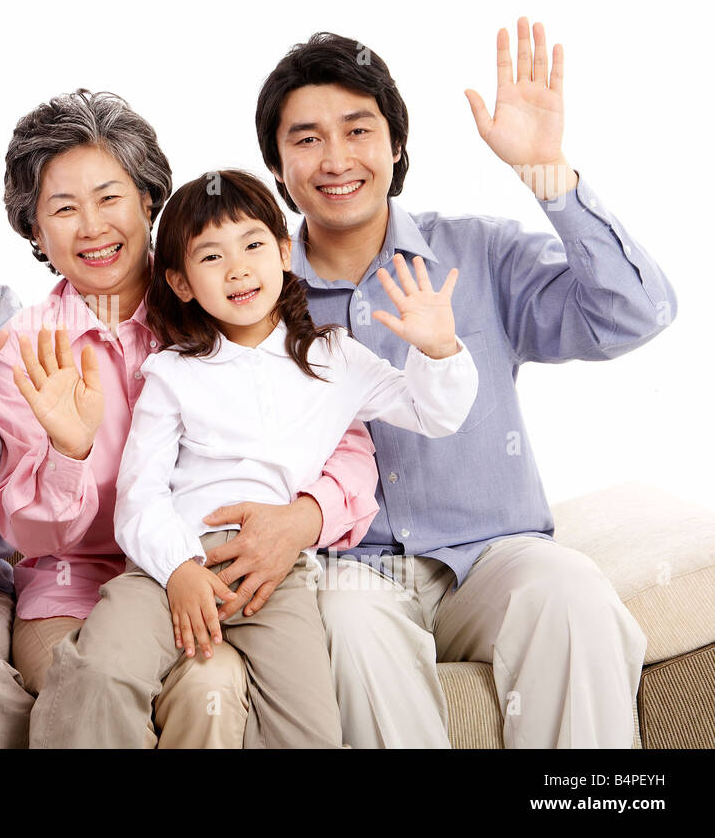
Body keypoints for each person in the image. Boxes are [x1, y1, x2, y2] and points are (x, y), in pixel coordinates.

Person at [241, 19, 675, 747]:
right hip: (351, 571)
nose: (336, 158)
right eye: (307, 138)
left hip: (495, 553)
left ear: (396, 145)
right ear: (278, 165)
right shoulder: (250, 292)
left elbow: (636, 314)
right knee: (348, 622)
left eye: (358, 129)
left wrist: (547, 170)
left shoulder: (479, 251)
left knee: (571, 595)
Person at [31, 169, 478, 748]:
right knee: (99, 671)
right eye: (211, 257)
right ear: (182, 282)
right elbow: (140, 497)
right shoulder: (170, 373)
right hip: (171, 569)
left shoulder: (334, 356)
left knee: (310, 728)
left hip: (275, 577)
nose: (238, 268)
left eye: (253, 245)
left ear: (285, 252)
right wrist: (179, 570)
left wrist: (438, 347)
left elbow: (431, 413)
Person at [0, 90, 381, 747]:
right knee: (112, 677)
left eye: (109, 197)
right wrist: (69, 452)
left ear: (148, 200)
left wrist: (302, 517)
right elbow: (32, 534)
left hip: (227, 573)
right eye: (63, 208)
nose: (92, 226)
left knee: (212, 689)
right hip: (78, 593)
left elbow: (339, 440)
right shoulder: (30, 350)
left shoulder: (229, 299)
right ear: (35, 231)